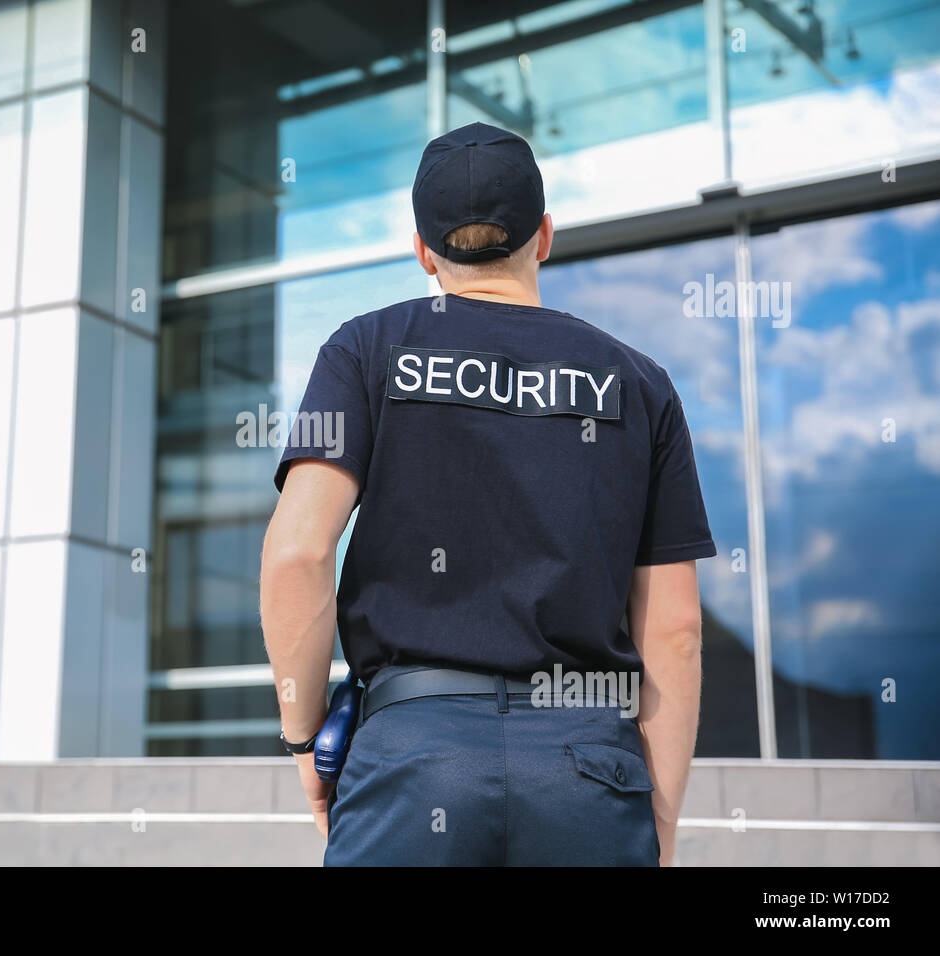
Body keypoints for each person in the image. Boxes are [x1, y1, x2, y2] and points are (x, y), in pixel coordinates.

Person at [260, 122, 716, 866]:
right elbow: (676, 631)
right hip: (588, 772)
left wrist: (306, 737)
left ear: (422, 251)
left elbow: (296, 554)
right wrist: (657, 820)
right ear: (544, 235)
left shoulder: (361, 349)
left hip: (411, 764)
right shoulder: (640, 383)